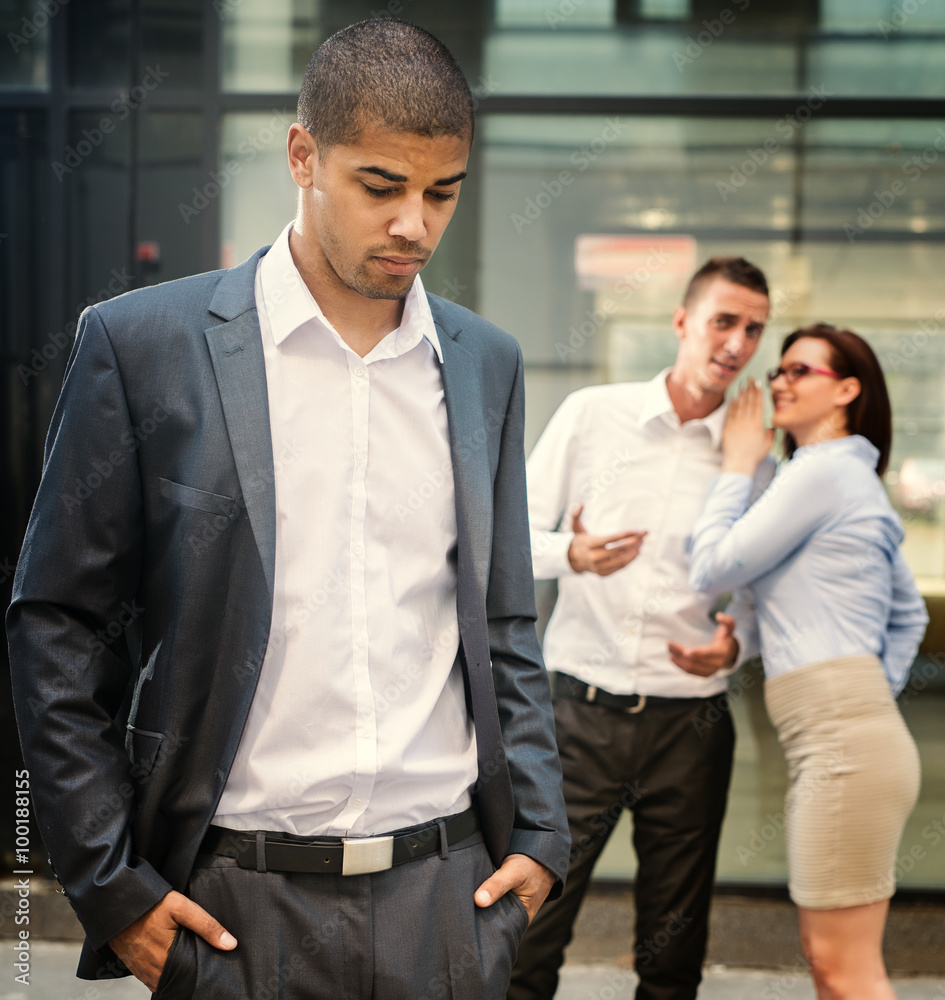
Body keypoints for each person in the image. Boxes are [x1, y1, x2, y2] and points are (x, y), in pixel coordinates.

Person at [7, 19, 568, 1000]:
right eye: (381, 186)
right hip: (232, 908)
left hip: (449, 903)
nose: (415, 226)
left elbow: (504, 617)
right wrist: (109, 885)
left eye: (442, 193)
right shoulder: (144, 346)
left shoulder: (486, 363)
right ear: (303, 155)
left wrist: (541, 833)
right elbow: (55, 622)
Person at [508, 257, 772, 1000]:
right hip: (577, 720)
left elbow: (755, 590)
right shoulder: (595, 415)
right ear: (683, 321)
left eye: (754, 329)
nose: (737, 343)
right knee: (528, 938)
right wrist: (572, 554)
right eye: (724, 321)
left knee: (673, 952)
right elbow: (508, 538)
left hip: (690, 728)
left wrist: (736, 644)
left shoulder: (751, 456)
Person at [687, 324, 928, 999]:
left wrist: (737, 466)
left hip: (844, 739)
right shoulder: (844, 478)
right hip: (841, 734)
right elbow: (910, 614)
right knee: (830, 960)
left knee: (843, 966)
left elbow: (711, 567)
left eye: (800, 371)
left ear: (848, 389)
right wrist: (858, 692)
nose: (779, 383)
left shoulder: (822, 471)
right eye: (778, 372)